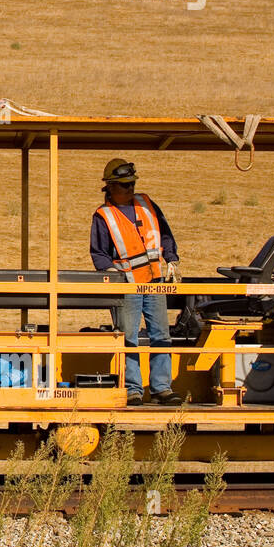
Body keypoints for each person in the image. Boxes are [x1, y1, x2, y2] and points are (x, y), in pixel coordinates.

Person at [89, 159, 182, 406]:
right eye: (124, 185)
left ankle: (162, 387)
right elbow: (99, 252)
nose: (130, 189)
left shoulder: (146, 203)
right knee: (127, 336)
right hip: (127, 286)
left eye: (131, 184)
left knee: (161, 334)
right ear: (110, 187)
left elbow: (164, 234)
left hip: (154, 281)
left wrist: (171, 259)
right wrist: (111, 273)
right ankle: (133, 389)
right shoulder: (103, 216)